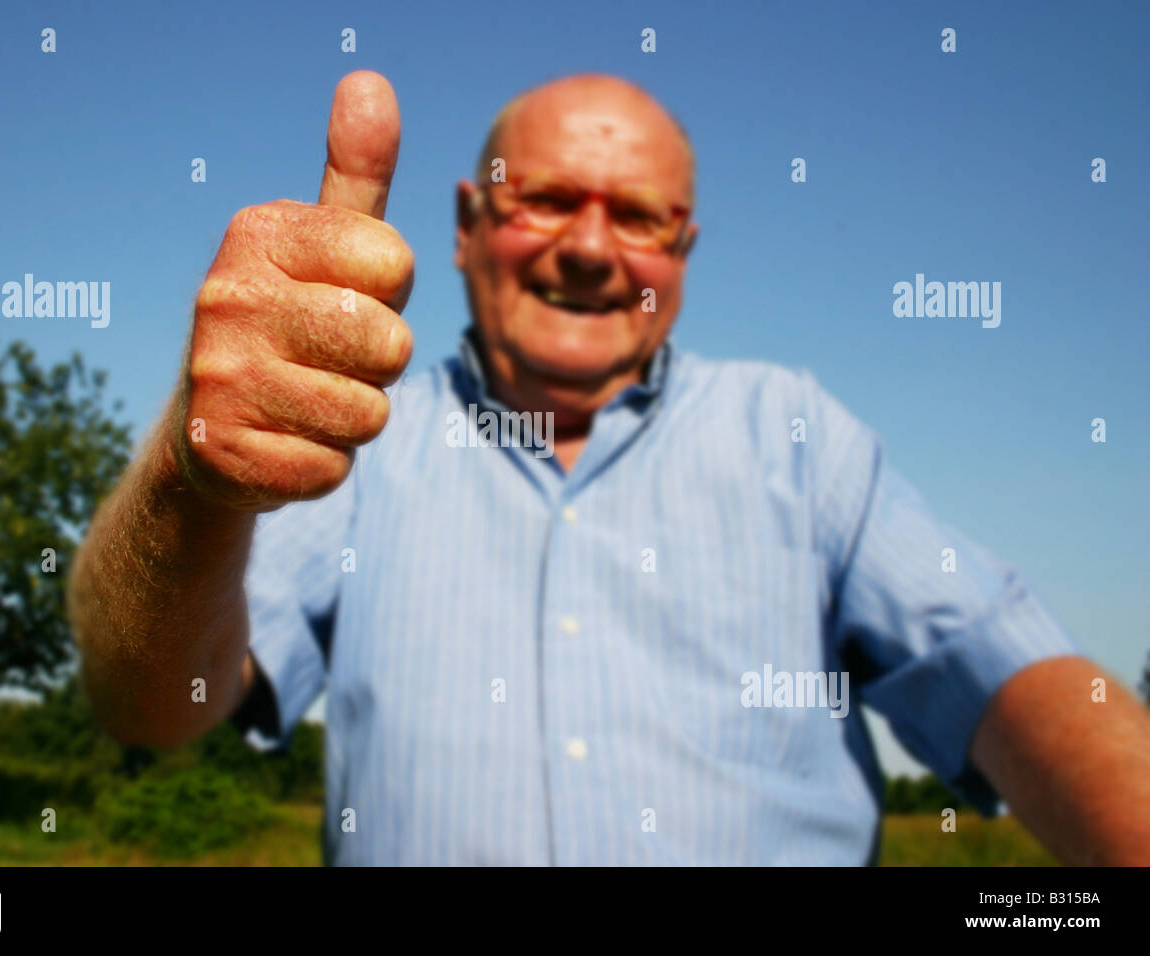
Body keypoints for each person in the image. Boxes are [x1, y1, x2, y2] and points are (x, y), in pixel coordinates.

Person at [69, 70, 1150, 865]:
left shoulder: (794, 430)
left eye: (639, 216)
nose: (590, 248)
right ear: (462, 223)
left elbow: (1007, 672)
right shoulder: (364, 438)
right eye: (545, 197)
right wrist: (194, 475)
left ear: (679, 256)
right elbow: (154, 703)